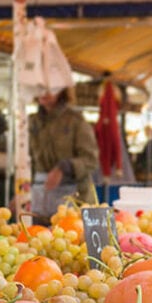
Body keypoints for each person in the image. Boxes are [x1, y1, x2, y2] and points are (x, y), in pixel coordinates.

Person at [28, 85, 99, 222]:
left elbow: (91, 160)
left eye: (50, 88)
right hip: (40, 202)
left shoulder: (76, 121)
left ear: (61, 90)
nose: (44, 93)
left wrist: (65, 167)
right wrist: (22, 192)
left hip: (74, 200)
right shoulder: (32, 122)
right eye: (40, 87)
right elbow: (28, 162)